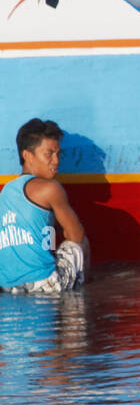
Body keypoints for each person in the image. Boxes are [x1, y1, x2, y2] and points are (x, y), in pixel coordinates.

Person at [0, 119, 88, 293]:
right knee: (80, 244)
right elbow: (76, 235)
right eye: (49, 154)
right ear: (27, 155)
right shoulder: (50, 188)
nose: (56, 161)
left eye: (58, 154)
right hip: (46, 283)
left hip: (7, 287)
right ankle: (82, 298)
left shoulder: (5, 192)